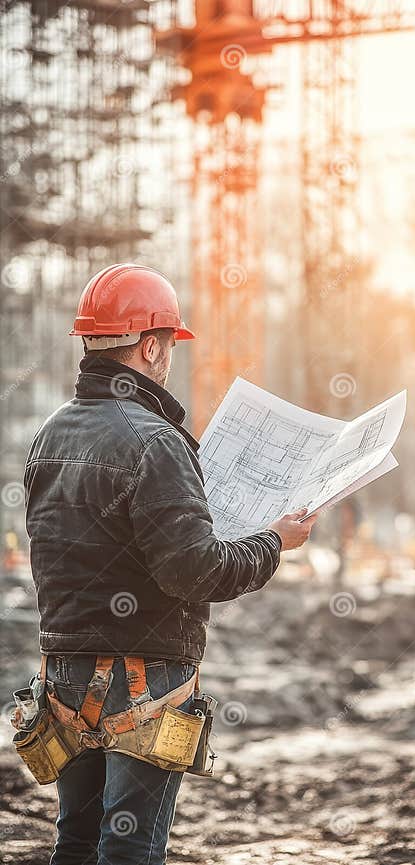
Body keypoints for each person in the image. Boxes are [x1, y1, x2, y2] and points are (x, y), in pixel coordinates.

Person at [24, 263, 317, 864]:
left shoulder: (50, 435)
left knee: (75, 840)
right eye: (169, 347)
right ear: (152, 346)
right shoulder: (156, 442)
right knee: (129, 847)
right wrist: (273, 544)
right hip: (144, 678)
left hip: (63, 676)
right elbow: (195, 571)